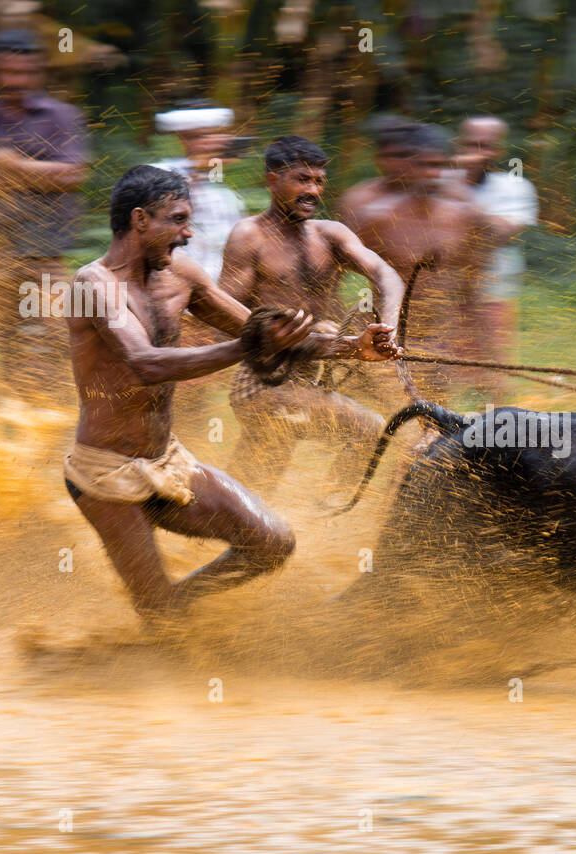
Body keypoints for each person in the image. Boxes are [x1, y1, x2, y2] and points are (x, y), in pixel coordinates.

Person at [63, 165, 398, 622]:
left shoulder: (182, 276)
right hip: (106, 475)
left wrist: (353, 348)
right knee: (158, 616)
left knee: (272, 543)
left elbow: (262, 331)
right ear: (140, 220)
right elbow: (144, 364)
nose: (188, 232)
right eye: (178, 220)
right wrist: (251, 346)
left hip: (169, 461)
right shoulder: (93, 284)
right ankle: (161, 624)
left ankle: (178, 610)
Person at [220, 136, 406, 494]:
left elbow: (387, 276)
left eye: (319, 181)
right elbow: (227, 315)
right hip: (264, 380)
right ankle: (326, 516)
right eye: (301, 179)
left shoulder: (331, 235)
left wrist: (389, 327)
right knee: (369, 427)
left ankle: (215, 519)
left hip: (312, 374)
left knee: (255, 482)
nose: (313, 190)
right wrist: (298, 337)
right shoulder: (249, 236)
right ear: (272, 179)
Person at [0, 28, 89, 403]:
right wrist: (43, 173)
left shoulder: (61, 115)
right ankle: (14, 406)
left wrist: (11, 164)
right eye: (6, 72)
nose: (15, 81)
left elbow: (74, 175)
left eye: (24, 73)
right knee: (4, 332)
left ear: (38, 71)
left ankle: (59, 407)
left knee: (59, 331)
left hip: (47, 248)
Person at [338, 122, 490, 405]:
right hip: (383, 343)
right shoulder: (377, 218)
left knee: (438, 435)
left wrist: (486, 359)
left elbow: (471, 292)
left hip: (436, 347)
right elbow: (330, 277)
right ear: (408, 167)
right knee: (381, 428)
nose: (433, 174)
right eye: (425, 165)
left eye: (439, 165)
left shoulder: (465, 217)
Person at [455, 116, 538, 399]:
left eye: (486, 146)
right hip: (445, 285)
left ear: (499, 150)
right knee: (443, 354)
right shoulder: (441, 180)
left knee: (491, 355)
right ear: (459, 144)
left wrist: (459, 194)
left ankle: (497, 418)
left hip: (493, 285)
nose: (478, 152)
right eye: (471, 144)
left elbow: (500, 233)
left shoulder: (515, 186)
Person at [152, 100, 245, 282]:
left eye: (215, 135)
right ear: (183, 138)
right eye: (201, 137)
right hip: (171, 282)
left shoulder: (223, 193)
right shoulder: (158, 174)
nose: (212, 143)